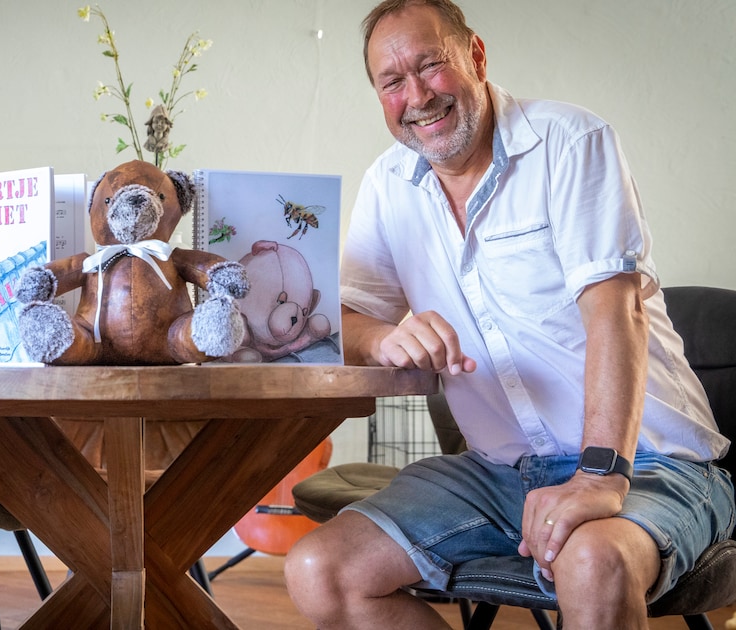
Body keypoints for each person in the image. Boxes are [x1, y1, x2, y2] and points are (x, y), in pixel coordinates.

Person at [283, 1, 733, 628]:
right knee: (319, 571)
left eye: (431, 65)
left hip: (649, 462)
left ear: (476, 56)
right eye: (392, 82)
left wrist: (598, 474)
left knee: (592, 560)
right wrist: (385, 338)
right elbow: (347, 319)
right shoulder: (389, 185)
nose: (417, 95)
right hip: (498, 471)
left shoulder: (571, 142)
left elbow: (616, 314)